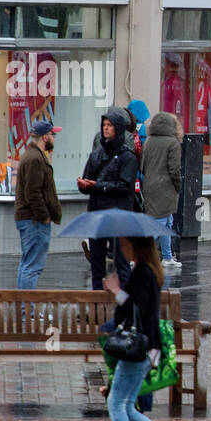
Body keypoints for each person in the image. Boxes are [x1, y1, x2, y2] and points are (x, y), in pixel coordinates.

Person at [96, 236, 194, 421]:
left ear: (136, 245)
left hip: (137, 347)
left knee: (116, 404)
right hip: (147, 348)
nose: (122, 247)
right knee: (126, 407)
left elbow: (135, 308)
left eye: (125, 243)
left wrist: (117, 292)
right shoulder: (147, 271)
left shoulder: (142, 272)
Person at [79, 107, 138, 290]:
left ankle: (124, 306)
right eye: (104, 125)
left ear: (118, 128)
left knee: (121, 262)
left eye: (110, 125)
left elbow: (124, 186)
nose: (106, 128)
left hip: (118, 215)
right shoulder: (97, 154)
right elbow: (88, 178)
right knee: (97, 264)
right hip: (97, 213)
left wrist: (98, 186)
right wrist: (83, 185)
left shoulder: (127, 156)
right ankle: (97, 304)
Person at [14, 119, 62, 289]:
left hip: (29, 218)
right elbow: (33, 192)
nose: (54, 138)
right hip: (34, 220)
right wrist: (44, 216)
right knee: (32, 267)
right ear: (44, 137)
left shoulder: (31, 155)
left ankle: (25, 309)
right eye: (52, 135)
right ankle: (28, 312)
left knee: (27, 264)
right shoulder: (35, 158)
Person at [142, 110, 184, 270]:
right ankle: (141, 255)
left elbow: (143, 165)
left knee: (167, 222)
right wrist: (178, 186)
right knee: (159, 223)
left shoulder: (149, 141)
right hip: (165, 187)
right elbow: (174, 170)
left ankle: (167, 256)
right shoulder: (173, 143)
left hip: (150, 185)